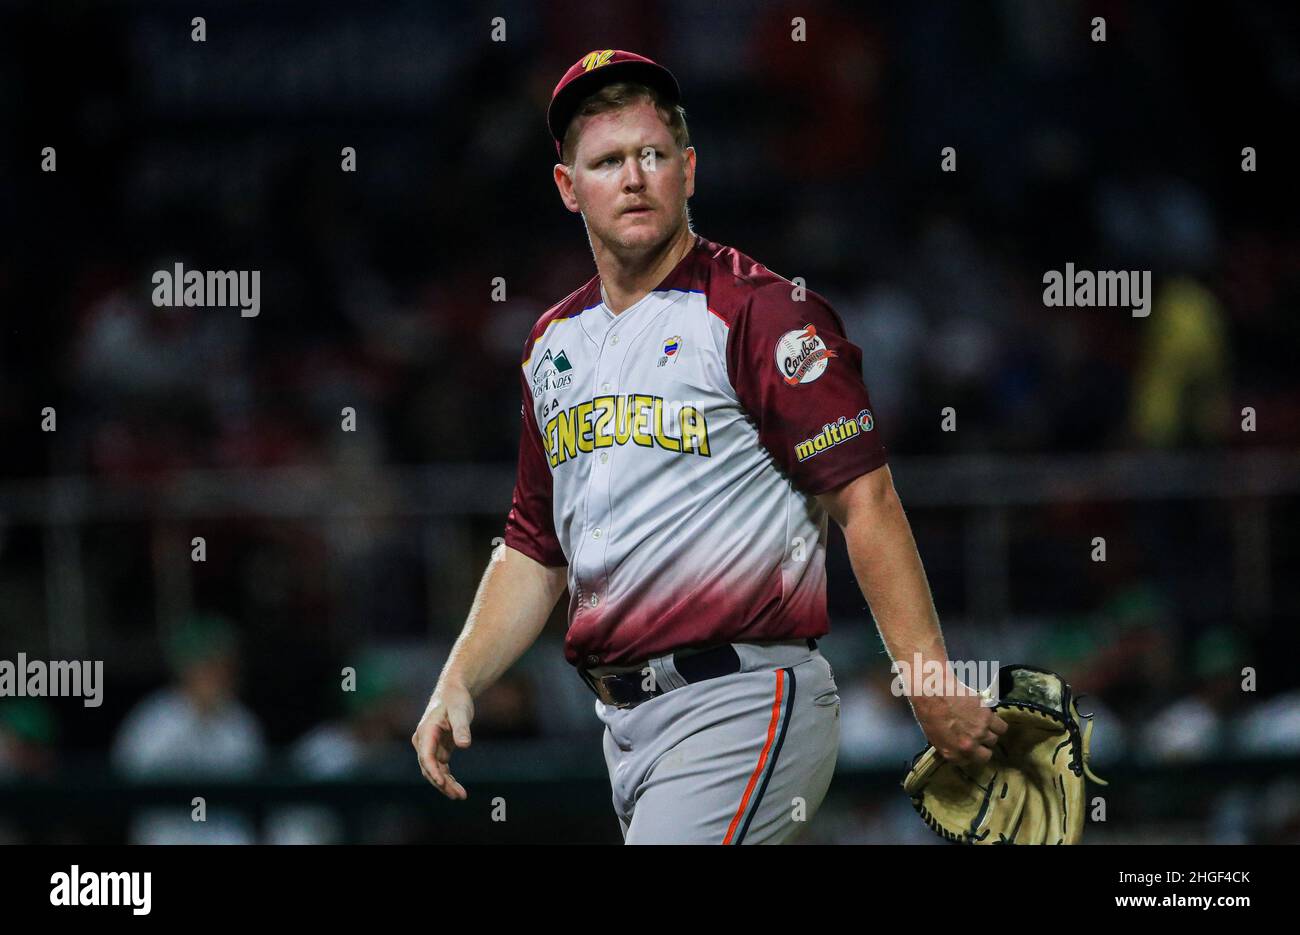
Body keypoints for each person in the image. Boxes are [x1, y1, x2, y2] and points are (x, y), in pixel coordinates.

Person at [413, 49, 1004, 843]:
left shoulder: (762, 314)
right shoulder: (554, 343)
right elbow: (534, 544)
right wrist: (460, 675)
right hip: (625, 727)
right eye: (608, 160)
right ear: (567, 186)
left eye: (653, 155)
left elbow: (866, 501)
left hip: (744, 698)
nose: (634, 177)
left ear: (688, 170)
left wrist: (927, 678)